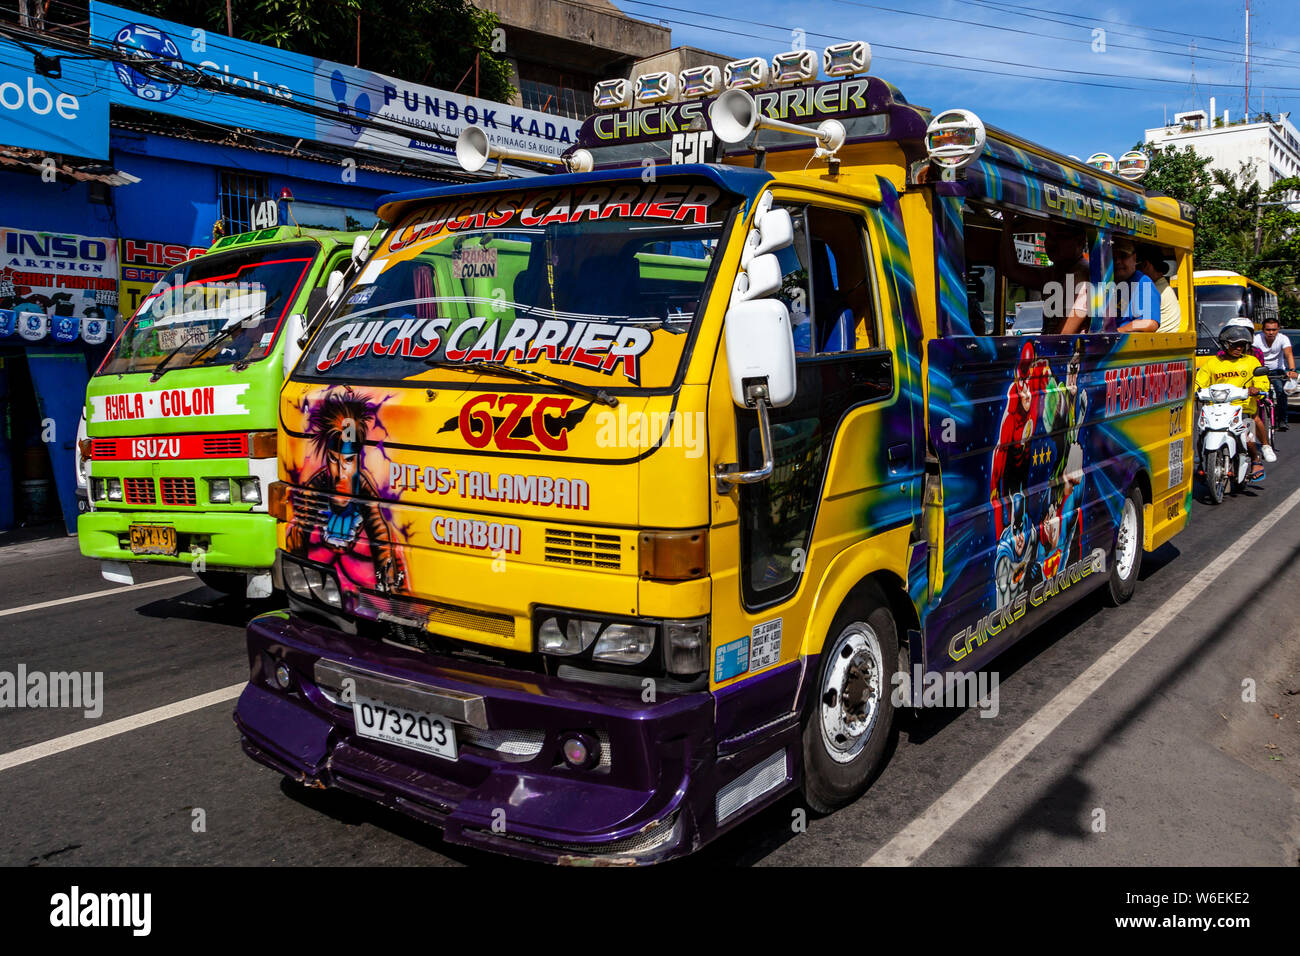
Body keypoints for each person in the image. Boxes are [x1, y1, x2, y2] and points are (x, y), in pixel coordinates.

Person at [1196, 323, 1271, 479]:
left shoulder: (1251, 362)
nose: (1239, 348)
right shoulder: (1212, 363)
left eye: (1242, 345)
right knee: (1202, 434)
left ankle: (1256, 460)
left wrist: (1257, 389)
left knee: (1248, 438)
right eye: (1235, 345)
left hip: (1242, 409)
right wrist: (1195, 391)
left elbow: (1262, 381)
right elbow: (1199, 383)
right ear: (1225, 344)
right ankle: (1203, 463)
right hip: (1216, 409)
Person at [1001, 220, 1090, 334]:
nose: (1051, 243)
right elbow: (1011, 270)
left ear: (1080, 242)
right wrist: (1007, 225)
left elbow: (1063, 337)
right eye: (1049, 236)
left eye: (1061, 237)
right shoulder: (1055, 272)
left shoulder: (1081, 276)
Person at [1253, 316, 1296, 430]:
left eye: (1274, 330)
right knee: (1258, 393)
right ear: (1263, 330)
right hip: (1260, 370)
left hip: (1277, 371)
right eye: (1268, 330)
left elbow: (1289, 354)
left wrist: (1292, 370)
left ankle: (1282, 420)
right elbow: (1251, 356)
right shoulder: (1256, 339)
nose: (1271, 333)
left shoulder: (1283, 339)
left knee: (1281, 392)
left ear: (1278, 330)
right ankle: (1258, 418)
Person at [1112, 238, 1160, 332]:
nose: (1117, 261)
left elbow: (1149, 323)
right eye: (1113, 257)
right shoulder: (1106, 284)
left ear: (1134, 258)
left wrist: (1116, 332)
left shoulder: (1142, 282)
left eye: (1123, 256)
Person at [1136, 245, 1181, 333]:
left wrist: (1120, 327)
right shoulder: (1162, 286)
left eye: (1136, 267)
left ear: (1145, 265)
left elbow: (1144, 324)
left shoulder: (1151, 290)